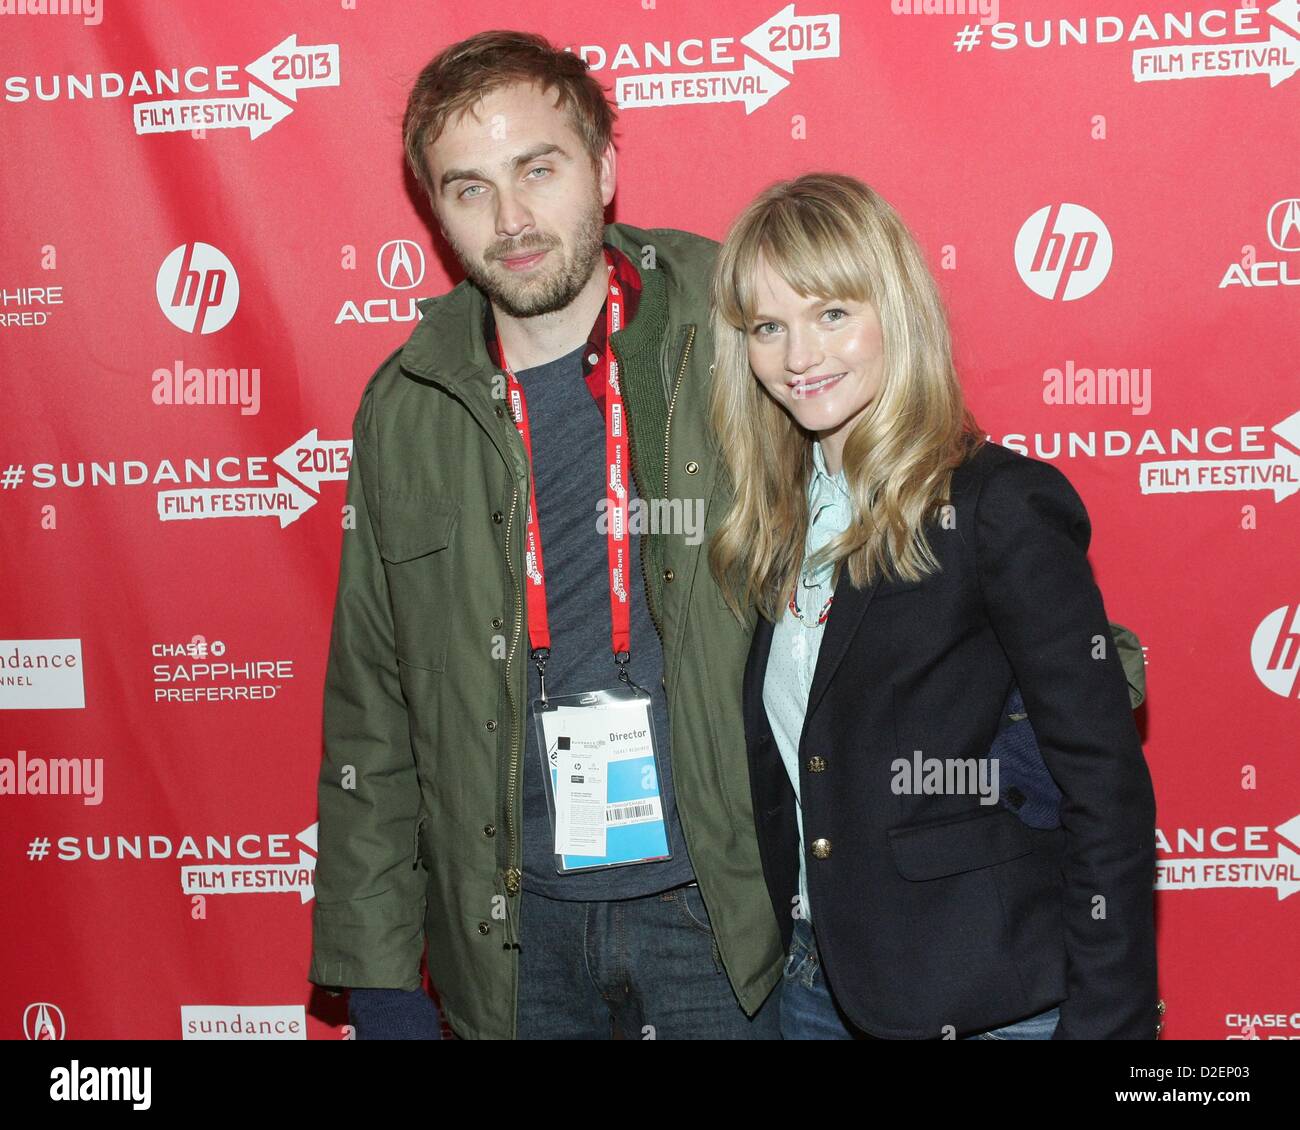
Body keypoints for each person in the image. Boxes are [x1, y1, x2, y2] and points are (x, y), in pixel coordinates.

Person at [308, 29, 783, 1039]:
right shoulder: (408, 408)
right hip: (510, 936)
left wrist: (1023, 711)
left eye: (538, 169)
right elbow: (372, 704)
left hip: (722, 913)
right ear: (434, 211)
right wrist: (382, 977)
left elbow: (909, 501)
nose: (512, 220)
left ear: (605, 169)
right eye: (469, 187)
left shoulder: (739, 327)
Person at [706, 172, 1162, 1039]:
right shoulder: (773, 520)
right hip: (810, 985)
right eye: (770, 326)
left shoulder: (999, 505)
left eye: (832, 313)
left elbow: (1103, 785)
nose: (800, 355)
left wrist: (1110, 1026)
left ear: (895, 313)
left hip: (989, 997)